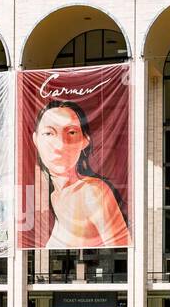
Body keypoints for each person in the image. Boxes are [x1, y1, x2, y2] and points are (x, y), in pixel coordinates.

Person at [31, 100, 130, 249]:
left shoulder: (93, 192)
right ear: (36, 139)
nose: (60, 145)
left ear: (85, 140)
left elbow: (122, 251)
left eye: (71, 132)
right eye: (49, 133)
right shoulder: (54, 197)